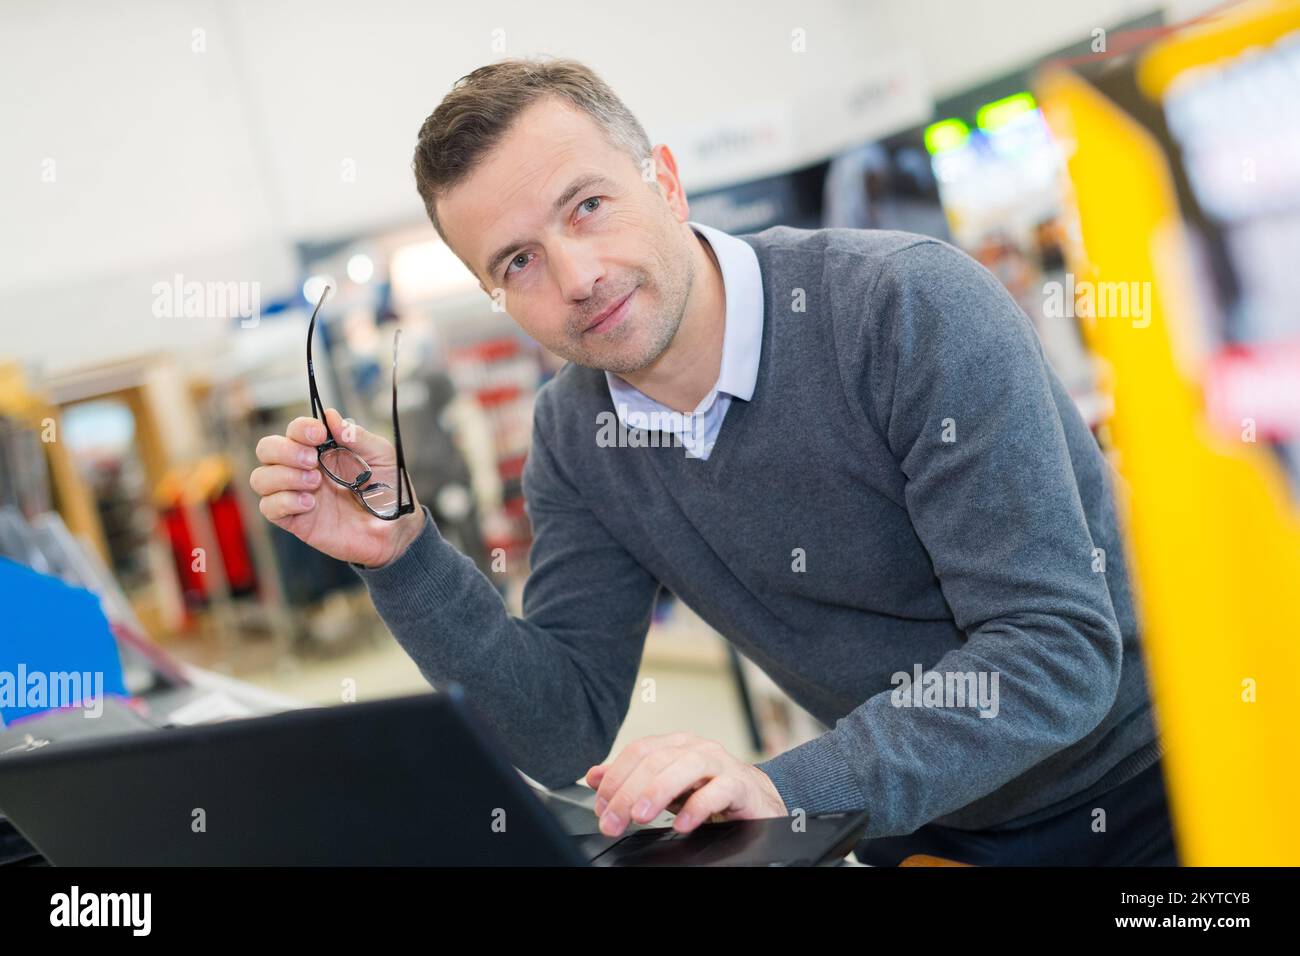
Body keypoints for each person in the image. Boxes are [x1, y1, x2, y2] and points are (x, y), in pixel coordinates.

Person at [250, 58, 1175, 865]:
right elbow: (561, 723)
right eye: (519, 262)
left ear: (667, 183)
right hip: (924, 834)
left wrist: (784, 789)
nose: (577, 277)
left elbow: (1053, 653)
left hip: (1161, 787)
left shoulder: (905, 310)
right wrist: (405, 557)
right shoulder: (577, 438)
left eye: (588, 206)